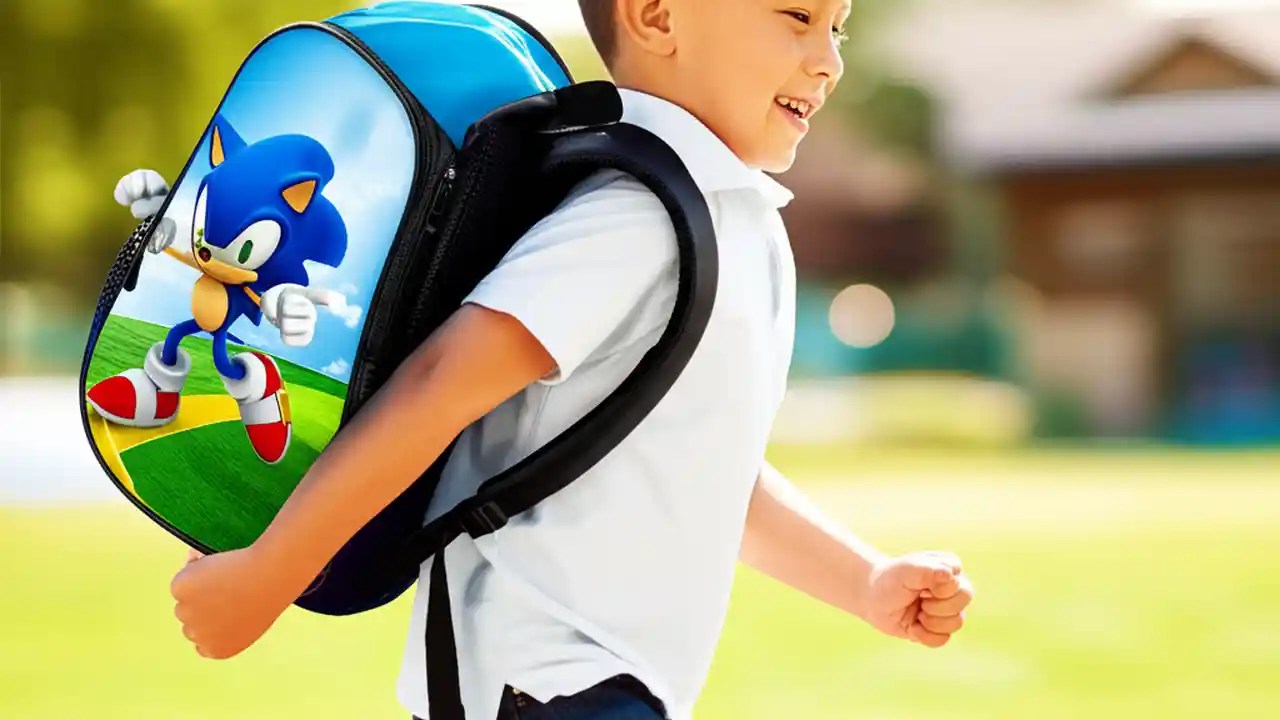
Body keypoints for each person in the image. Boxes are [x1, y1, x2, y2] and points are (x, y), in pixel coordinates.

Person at [162, 1, 976, 718]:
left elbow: (706, 466)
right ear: (657, 16)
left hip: (600, 685)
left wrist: (865, 582)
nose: (829, 58)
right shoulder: (633, 220)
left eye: (837, 27)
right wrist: (271, 573)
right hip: (540, 681)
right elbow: (440, 384)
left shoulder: (731, 217)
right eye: (795, 17)